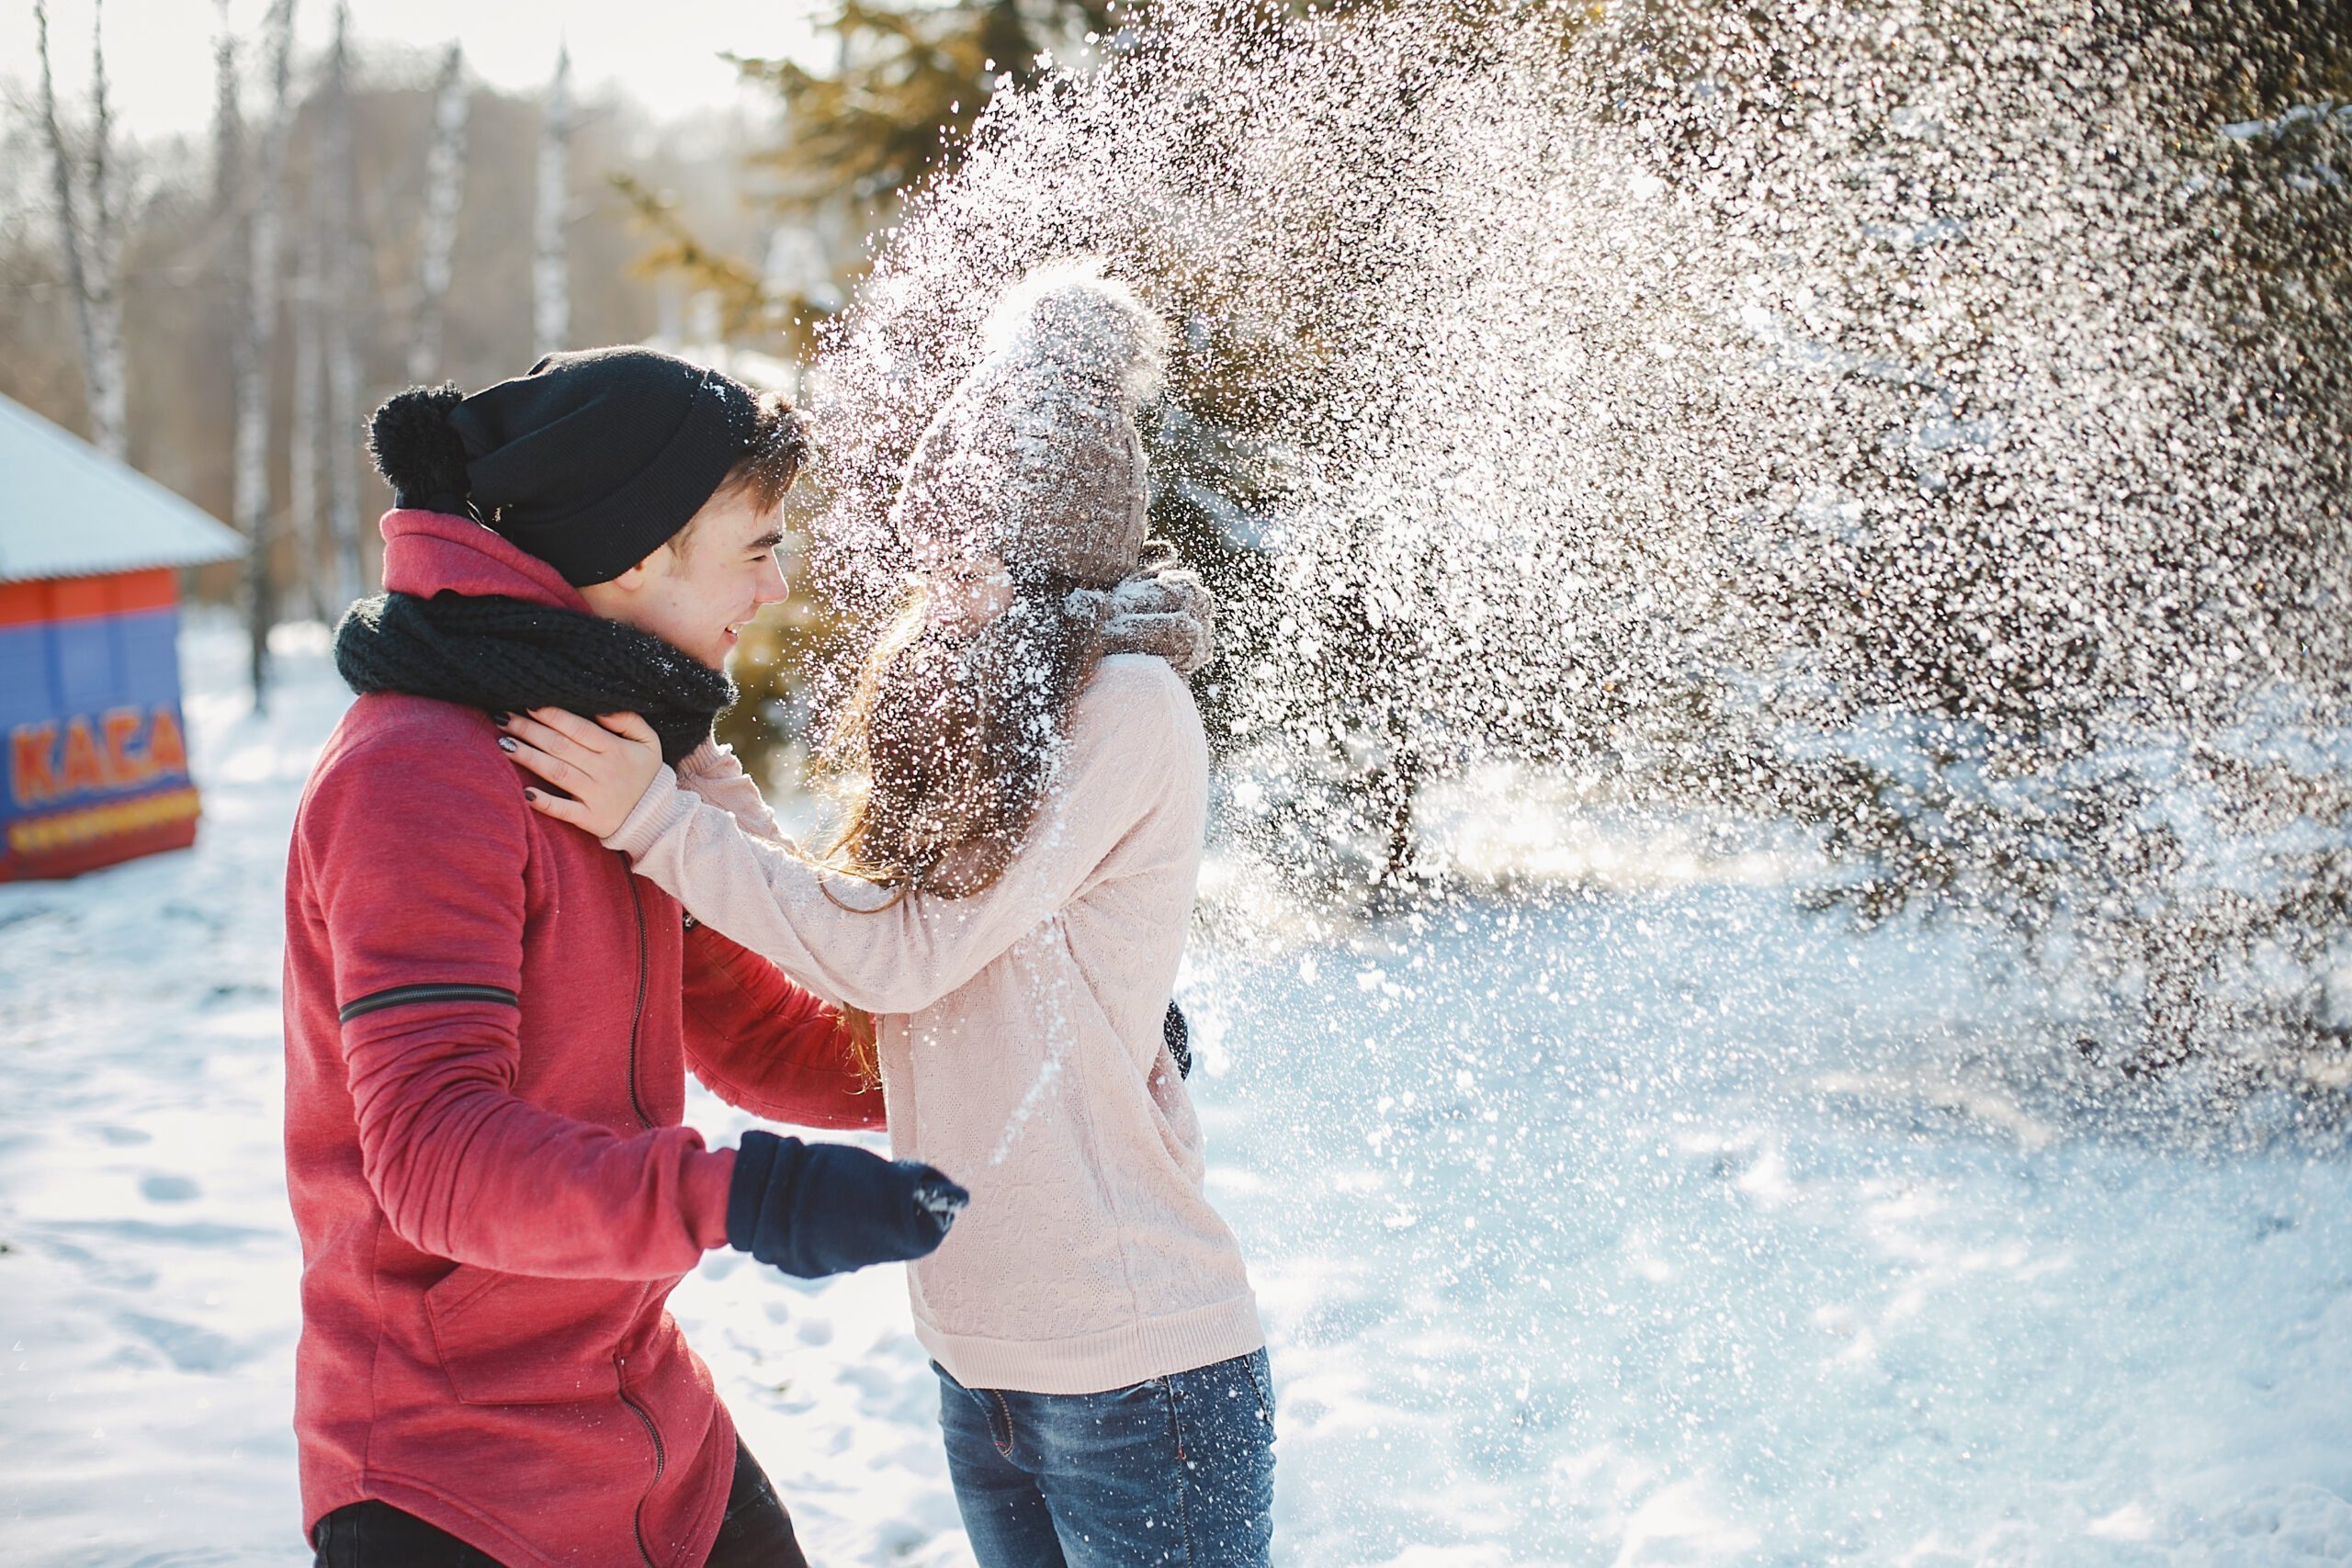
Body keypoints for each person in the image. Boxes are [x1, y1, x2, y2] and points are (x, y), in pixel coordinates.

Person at [499, 262, 1273, 1567]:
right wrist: (698, 774)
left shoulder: (1128, 705)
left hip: (1137, 1368)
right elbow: (861, 923)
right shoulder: (979, 706)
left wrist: (657, 822)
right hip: (979, 1363)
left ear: (1042, 538)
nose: (931, 573)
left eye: (959, 541)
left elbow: (900, 958)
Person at [284, 345, 970, 1568]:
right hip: (451, 1483)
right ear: (642, 550)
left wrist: (1031, 1043)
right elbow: (435, 1159)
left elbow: (755, 1039)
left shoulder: (608, 743)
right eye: (755, 549)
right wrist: (741, 1195)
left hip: (647, 1421)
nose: (773, 588)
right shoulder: (417, 775)